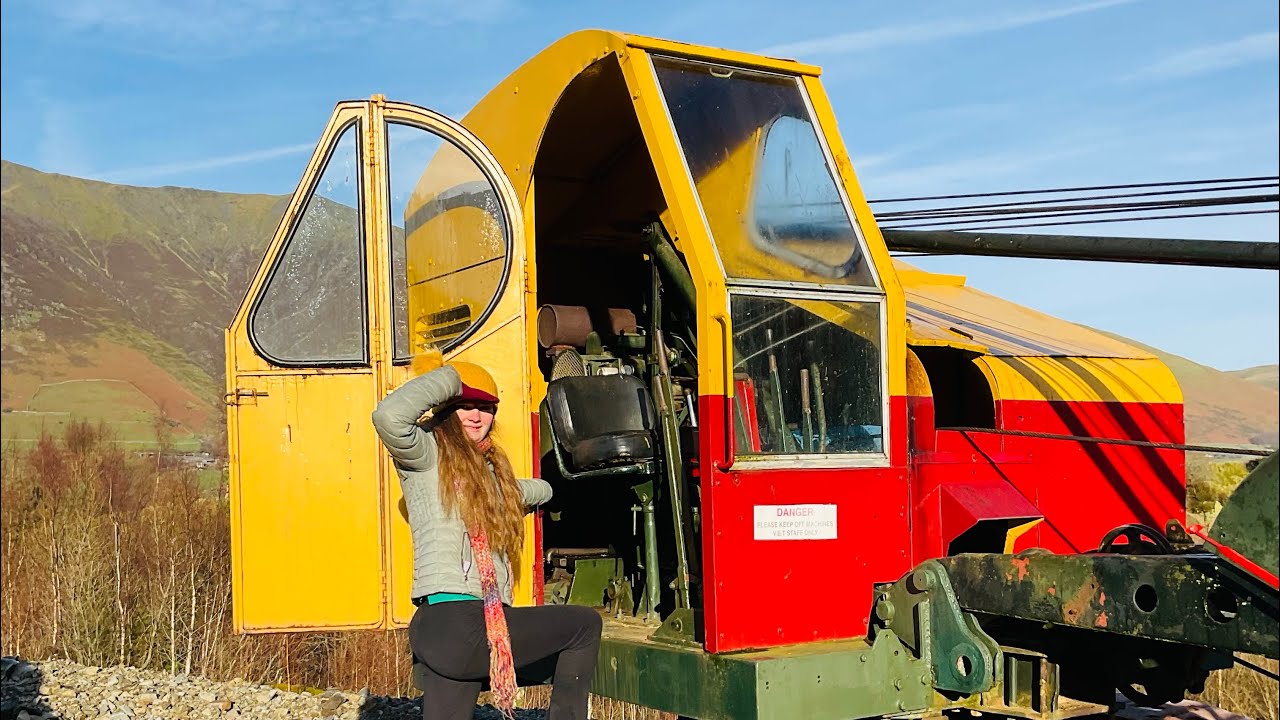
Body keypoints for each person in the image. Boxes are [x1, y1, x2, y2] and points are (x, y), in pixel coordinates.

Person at [372, 359, 603, 720]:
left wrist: (542, 490)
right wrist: (452, 378)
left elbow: (528, 491)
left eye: (486, 408)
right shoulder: (427, 456)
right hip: (459, 622)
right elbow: (388, 417)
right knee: (584, 626)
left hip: (442, 634)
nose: (477, 416)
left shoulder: (490, 481)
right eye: (466, 406)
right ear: (447, 409)